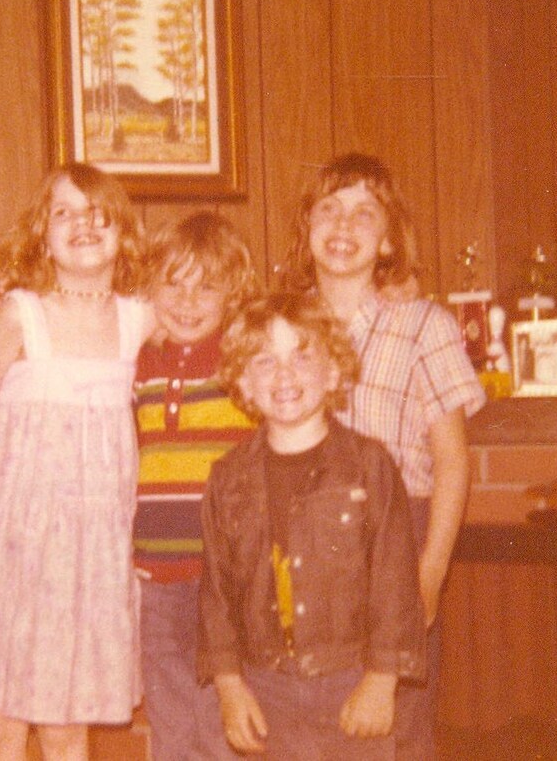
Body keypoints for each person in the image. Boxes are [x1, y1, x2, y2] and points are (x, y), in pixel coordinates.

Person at [0, 163, 156, 761]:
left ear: (124, 234)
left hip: (90, 551)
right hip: (12, 542)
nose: (83, 224)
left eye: (98, 213)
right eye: (63, 213)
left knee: (65, 728)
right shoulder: (22, 313)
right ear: (42, 237)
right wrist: (17, 483)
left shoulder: (139, 319)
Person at [280, 152, 487, 758]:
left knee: (393, 727)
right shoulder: (283, 326)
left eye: (364, 214)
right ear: (307, 227)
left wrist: (430, 572)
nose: (343, 226)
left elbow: (452, 462)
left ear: (389, 239)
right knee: (308, 725)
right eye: (329, 210)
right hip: (302, 545)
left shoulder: (423, 325)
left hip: (397, 539)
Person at [197, 292, 427, 760]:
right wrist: (230, 687)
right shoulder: (227, 478)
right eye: (264, 361)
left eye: (303, 356)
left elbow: (396, 581)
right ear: (243, 382)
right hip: (266, 688)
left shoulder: (369, 467)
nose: (284, 375)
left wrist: (381, 679)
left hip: (352, 681)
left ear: (334, 372)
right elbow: (216, 594)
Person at [132, 211, 260, 760]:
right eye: (173, 283)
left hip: (225, 575)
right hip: (155, 572)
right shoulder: (138, 361)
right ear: (149, 289)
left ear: (233, 295)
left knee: (221, 716)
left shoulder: (243, 361)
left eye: (206, 286)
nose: (187, 301)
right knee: (169, 714)